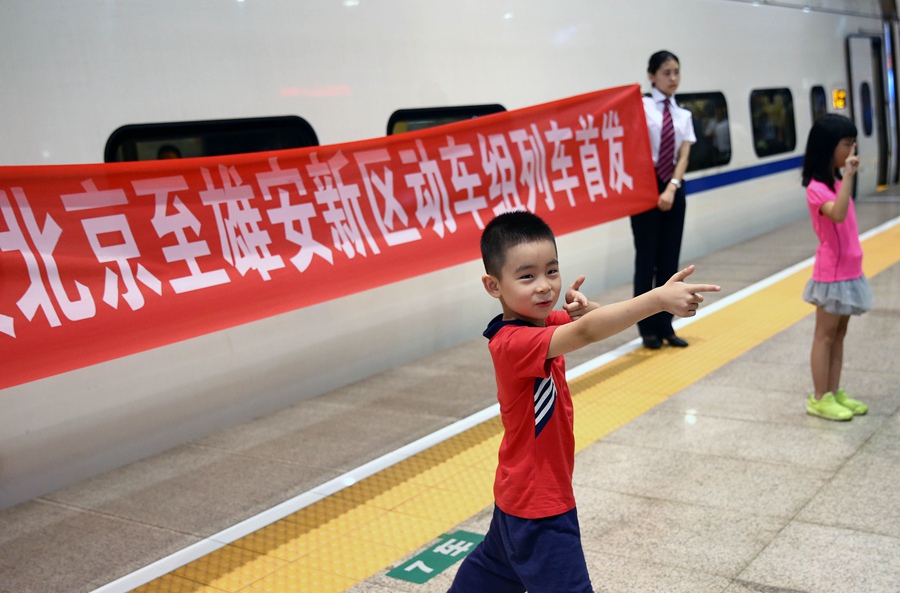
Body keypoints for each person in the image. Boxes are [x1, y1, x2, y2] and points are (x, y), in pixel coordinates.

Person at [447, 210, 719, 593]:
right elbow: (588, 332)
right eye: (527, 276)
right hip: (540, 504)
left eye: (551, 271)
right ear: (493, 286)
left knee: (491, 575)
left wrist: (586, 310)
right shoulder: (512, 343)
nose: (544, 286)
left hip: (517, 495)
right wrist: (657, 298)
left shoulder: (539, 323)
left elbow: (586, 321)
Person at [800, 114, 873, 421]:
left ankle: (834, 390)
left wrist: (844, 178)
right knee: (824, 336)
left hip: (850, 270)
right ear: (829, 147)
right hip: (831, 274)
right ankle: (819, 398)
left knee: (839, 335)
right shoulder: (817, 188)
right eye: (847, 144)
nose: (852, 149)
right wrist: (849, 178)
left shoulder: (832, 182)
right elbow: (839, 215)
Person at [631, 50, 697, 349]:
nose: (673, 78)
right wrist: (656, 188)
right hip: (645, 189)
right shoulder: (640, 107)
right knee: (646, 261)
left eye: (676, 72)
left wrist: (672, 187)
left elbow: (684, 155)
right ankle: (646, 328)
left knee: (670, 262)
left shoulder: (684, 114)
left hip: (673, 186)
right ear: (651, 75)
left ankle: (666, 325)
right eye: (667, 72)